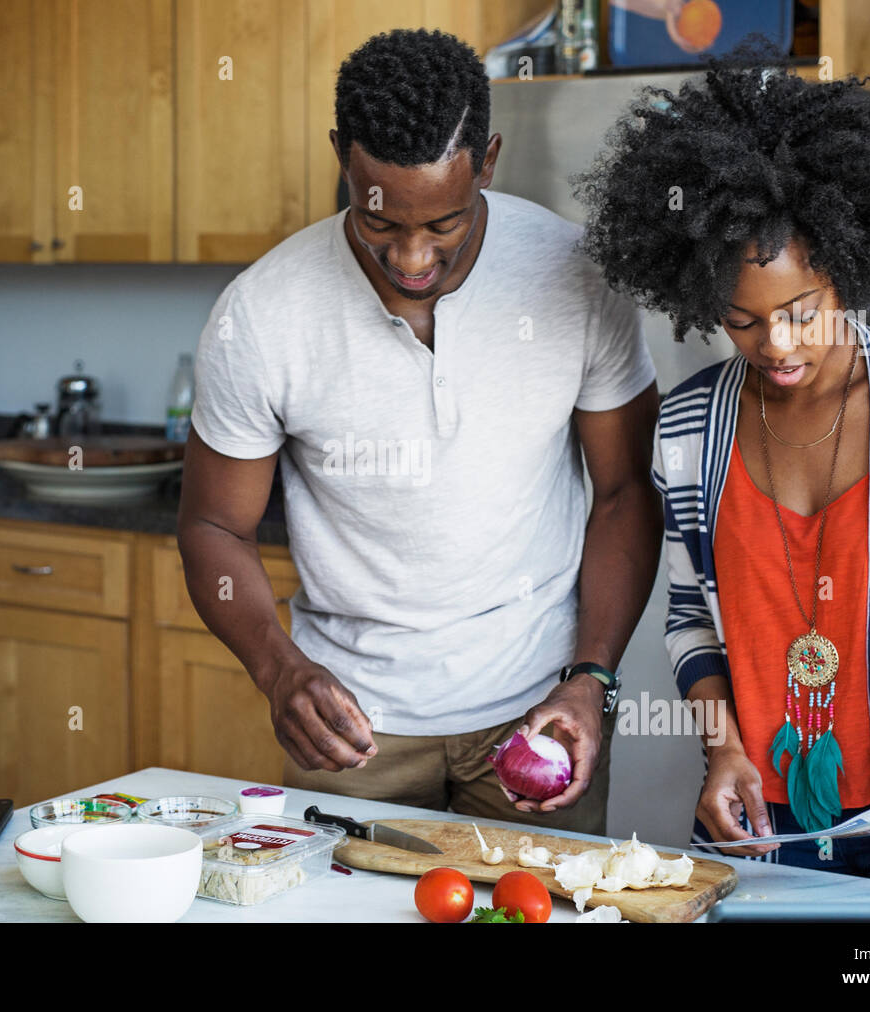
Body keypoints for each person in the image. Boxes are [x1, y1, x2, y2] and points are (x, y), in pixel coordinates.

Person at [177, 28, 661, 832]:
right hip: (352, 731)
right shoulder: (262, 315)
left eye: (443, 222)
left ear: (490, 161)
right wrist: (278, 670)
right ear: (342, 157)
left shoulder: (576, 278)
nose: (410, 256)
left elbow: (621, 492)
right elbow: (211, 525)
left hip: (536, 716)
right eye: (381, 222)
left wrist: (592, 678)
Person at [574, 56, 870, 897]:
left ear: (849, 273)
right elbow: (689, 623)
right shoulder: (688, 425)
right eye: (741, 321)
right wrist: (724, 748)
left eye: (800, 312)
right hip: (765, 840)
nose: (775, 347)